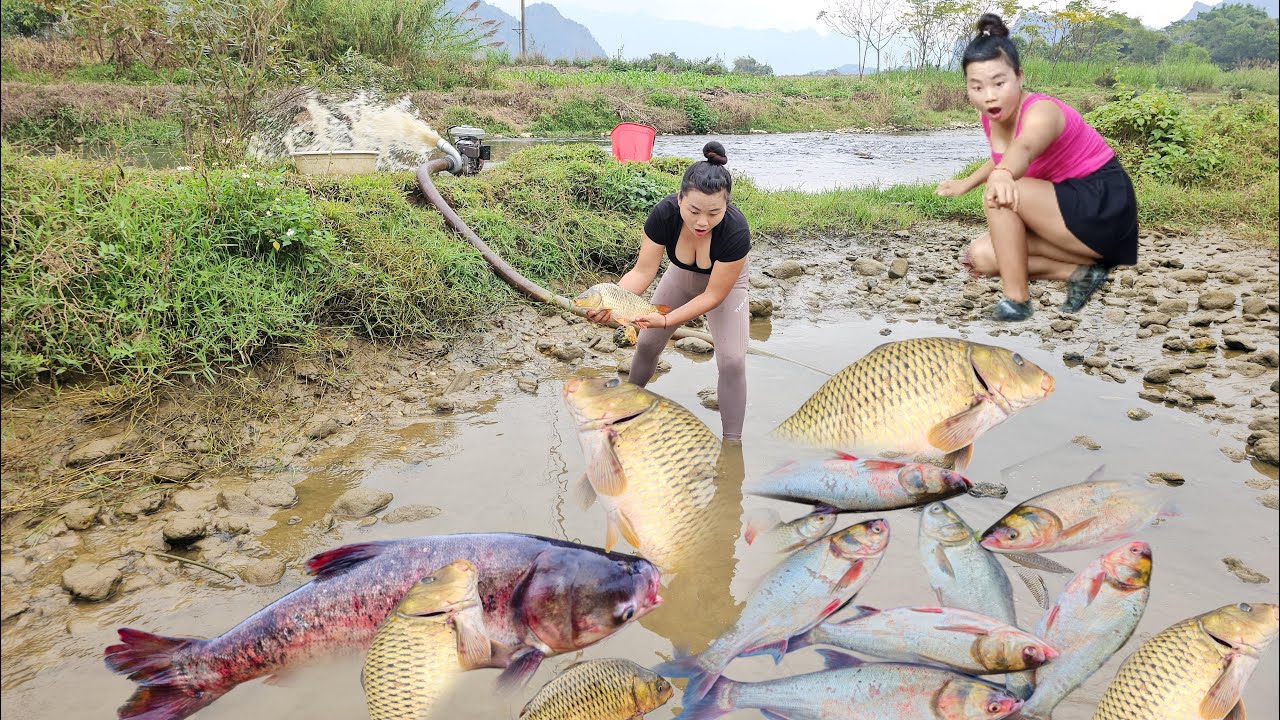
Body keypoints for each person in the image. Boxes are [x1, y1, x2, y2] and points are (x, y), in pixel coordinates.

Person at [936, 13, 1139, 322]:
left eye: (999, 83)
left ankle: (1016, 300)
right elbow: (1001, 158)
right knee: (984, 256)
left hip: (1102, 206)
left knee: (1000, 195)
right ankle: (1079, 274)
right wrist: (966, 182)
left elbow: (1025, 148)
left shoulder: (1043, 111)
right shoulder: (993, 116)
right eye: (976, 87)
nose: (988, 96)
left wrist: (1002, 176)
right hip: (1065, 222)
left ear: (1019, 76)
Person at [585, 141, 751, 441]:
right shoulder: (663, 215)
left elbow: (713, 296)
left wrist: (666, 319)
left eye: (714, 213)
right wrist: (610, 301)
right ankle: (629, 406)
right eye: (694, 210)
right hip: (680, 276)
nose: (703, 222)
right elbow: (642, 272)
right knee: (647, 344)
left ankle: (732, 445)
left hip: (726, 287)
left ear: (726, 206)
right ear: (679, 199)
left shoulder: (736, 231)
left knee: (732, 360)